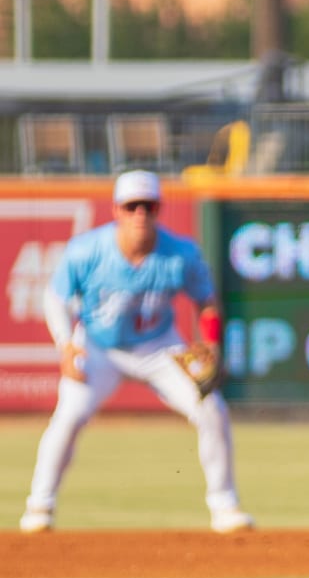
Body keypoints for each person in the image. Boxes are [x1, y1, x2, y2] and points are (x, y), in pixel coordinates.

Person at [19, 170, 254, 534]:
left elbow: (206, 301)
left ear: (158, 209)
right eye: (131, 206)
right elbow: (55, 299)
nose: (139, 214)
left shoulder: (181, 253)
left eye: (147, 205)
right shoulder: (87, 250)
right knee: (69, 416)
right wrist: (65, 345)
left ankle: (225, 506)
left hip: (159, 347)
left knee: (211, 409)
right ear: (116, 210)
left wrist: (210, 343)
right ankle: (40, 505)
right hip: (98, 346)